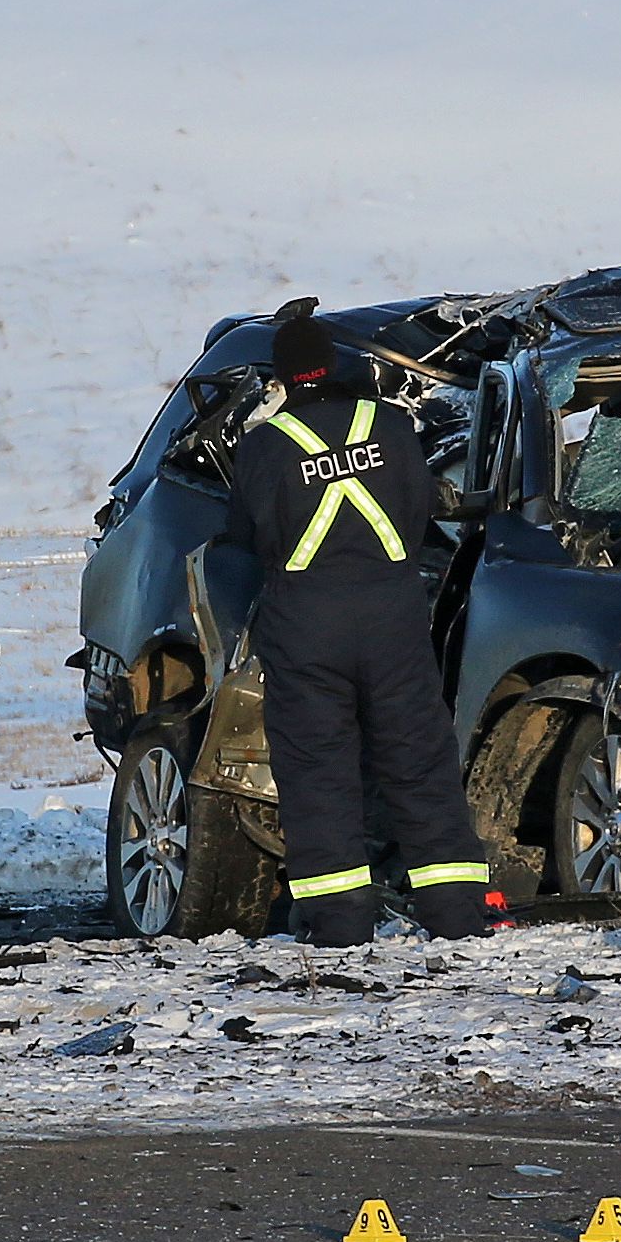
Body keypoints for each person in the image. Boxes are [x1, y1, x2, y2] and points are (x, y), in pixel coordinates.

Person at [222, 313, 490, 946]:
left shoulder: (263, 445)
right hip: (393, 616)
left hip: (307, 623)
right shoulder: (391, 425)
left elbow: (247, 539)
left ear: (282, 376)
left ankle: (339, 923)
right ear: (337, 363)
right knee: (419, 761)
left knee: (319, 771)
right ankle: (455, 913)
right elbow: (424, 510)